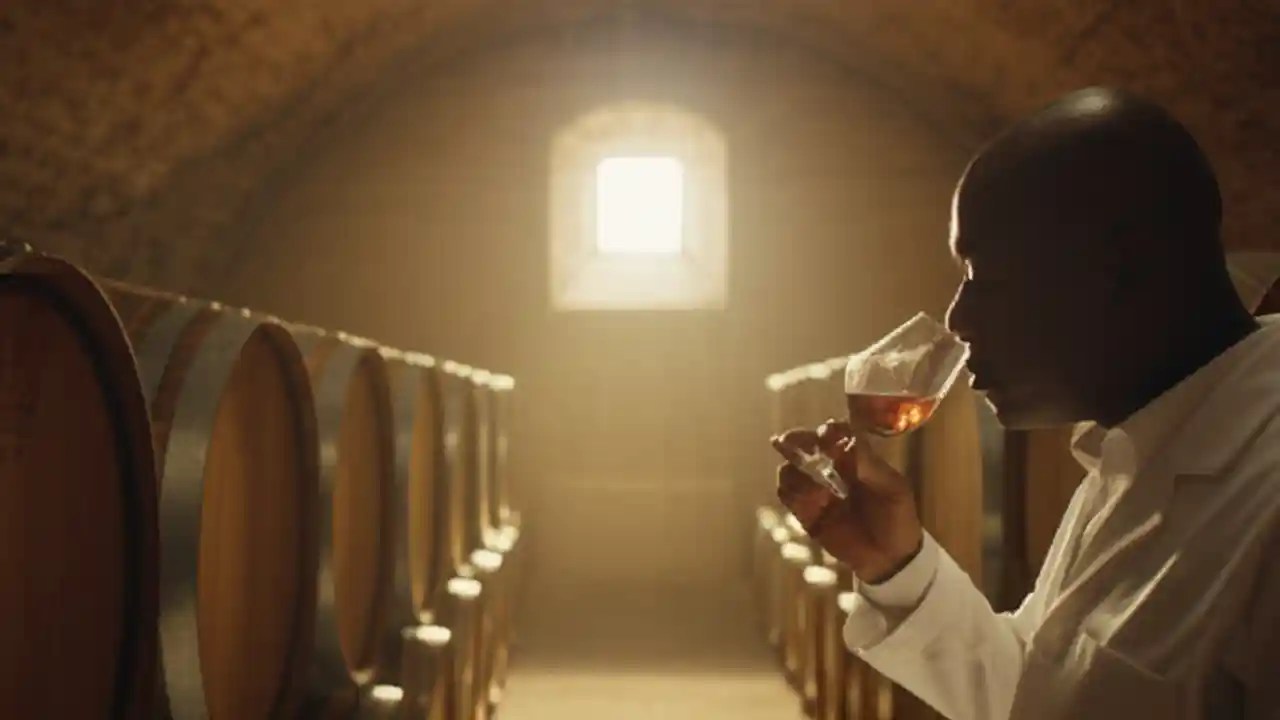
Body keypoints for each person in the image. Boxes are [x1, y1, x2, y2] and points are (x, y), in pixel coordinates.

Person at [773, 87, 1280, 719]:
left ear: (1123, 267)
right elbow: (1039, 694)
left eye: (985, 276)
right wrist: (896, 566)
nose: (958, 318)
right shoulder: (1133, 446)